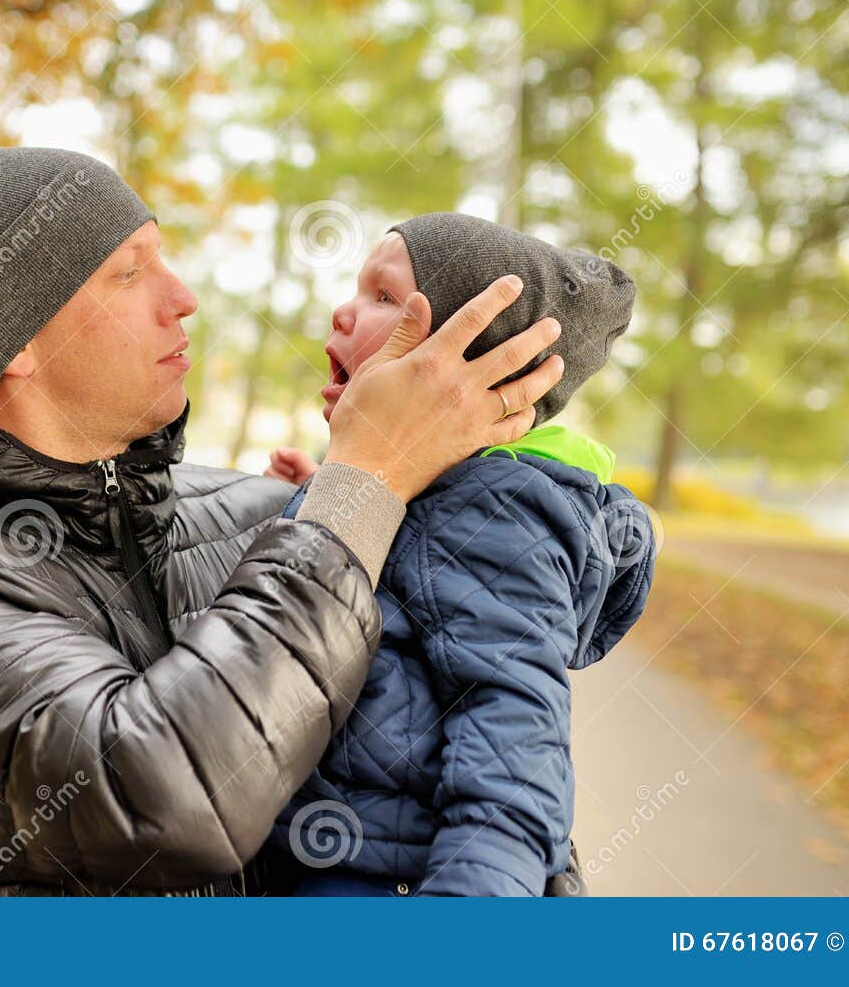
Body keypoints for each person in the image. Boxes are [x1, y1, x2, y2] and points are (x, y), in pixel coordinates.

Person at [0, 148, 564, 895]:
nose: (183, 297)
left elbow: (482, 739)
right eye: (130, 273)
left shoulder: (266, 512)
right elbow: (165, 802)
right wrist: (364, 480)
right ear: (17, 340)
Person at [260, 212, 657, 896]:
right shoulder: (431, 493)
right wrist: (325, 499)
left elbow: (512, 732)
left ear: (467, 359)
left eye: (385, 297)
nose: (343, 310)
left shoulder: (494, 513)